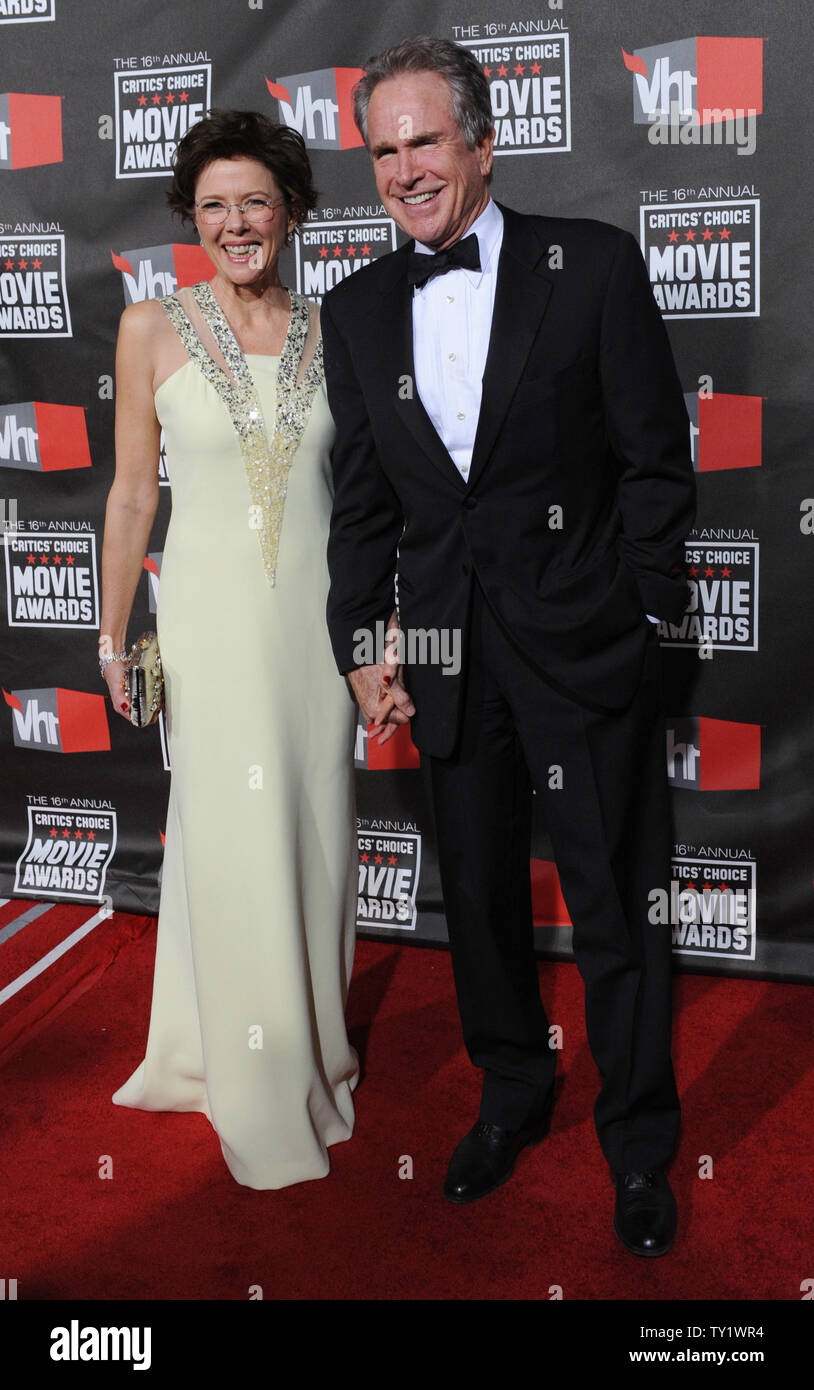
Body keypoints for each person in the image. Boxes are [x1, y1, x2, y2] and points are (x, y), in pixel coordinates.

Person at [322, 38, 695, 1254]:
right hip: (440, 648)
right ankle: (512, 1095)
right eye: (382, 149)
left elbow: (653, 460)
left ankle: (640, 1145)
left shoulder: (587, 267)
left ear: (485, 143)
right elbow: (367, 503)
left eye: (425, 140)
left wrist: (643, 611)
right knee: (478, 901)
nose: (404, 168)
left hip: (584, 642)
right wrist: (358, 638)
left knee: (614, 911)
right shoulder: (359, 305)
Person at [99, 109, 359, 1190]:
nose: (235, 221)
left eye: (254, 199)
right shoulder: (150, 327)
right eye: (213, 205)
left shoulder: (339, 328)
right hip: (206, 619)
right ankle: (256, 1087)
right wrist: (112, 636)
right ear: (188, 220)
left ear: (291, 209)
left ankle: (311, 1050)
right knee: (234, 831)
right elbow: (127, 495)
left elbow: (368, 499)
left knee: (316, 832)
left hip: (317, 620)